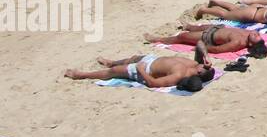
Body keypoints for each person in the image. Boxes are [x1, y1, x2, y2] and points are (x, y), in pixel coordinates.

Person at [65, 54, 215, 91]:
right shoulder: (194, 64)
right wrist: (206, 57)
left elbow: (153, 83)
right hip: (153, 59)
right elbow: (200, 47)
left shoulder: (179, 76)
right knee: (132, 58)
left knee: (112, 72)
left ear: (200, 72)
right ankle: (111, 61)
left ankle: (81, 75)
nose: (204, 64)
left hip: (146, 70)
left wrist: (141, 70)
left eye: (205, 66)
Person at [145, 25, 267, 58]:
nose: (256, 33)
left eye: (256, 36)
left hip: (208, 37)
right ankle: (188, 25)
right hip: (219, 28)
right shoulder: (249, 35)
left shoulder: (237, 44)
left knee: (182, 37)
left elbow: (218, 49)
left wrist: (202, 48)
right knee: (197, 27)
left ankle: (158, 39)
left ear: (251, 44)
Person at [193, 0, 267, 29]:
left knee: (235, 8)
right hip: (251, 15)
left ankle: (215, 2)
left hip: (257, 10)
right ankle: (204, 10)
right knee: (226, 15)